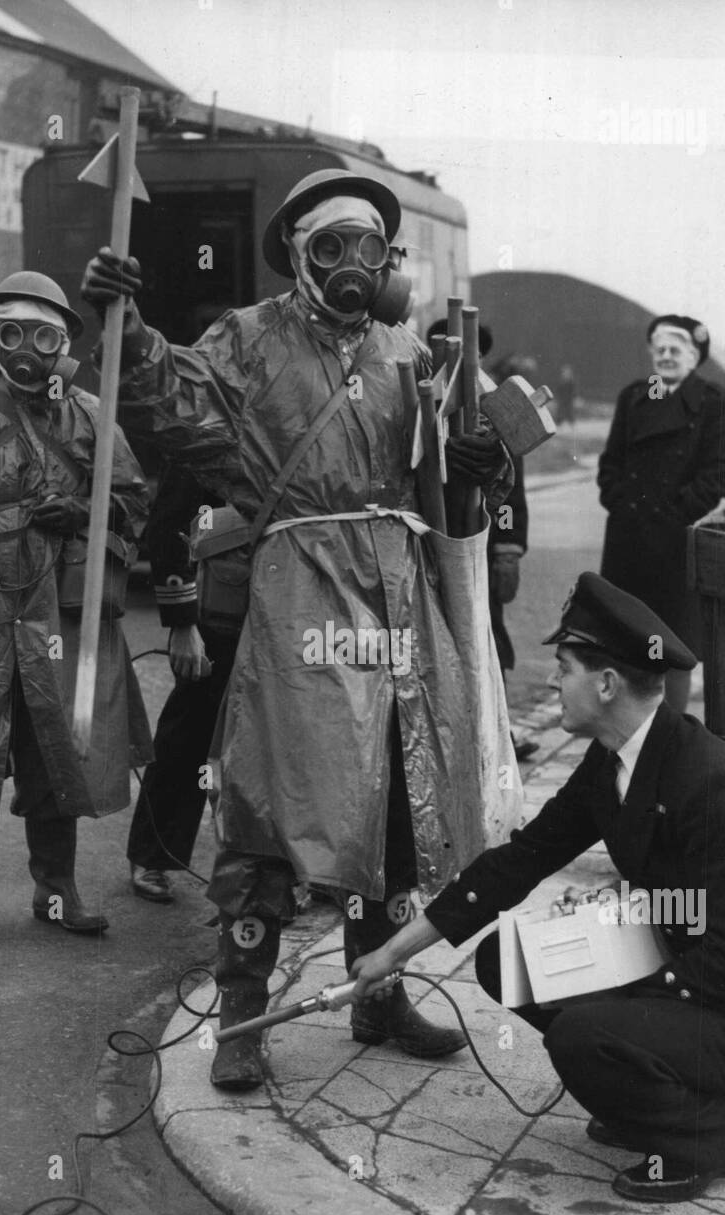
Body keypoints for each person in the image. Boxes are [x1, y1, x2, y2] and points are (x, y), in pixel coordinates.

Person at [82, 167, 515, 1089]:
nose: (354, 263)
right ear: (297, 255)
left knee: (399, 796)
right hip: (300, 594)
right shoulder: (248, 340)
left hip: (398, 599)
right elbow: (166, 398)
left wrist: (482, 464)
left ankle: (378, 991)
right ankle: (242, 1013)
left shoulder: (408, 355)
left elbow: (446, 489)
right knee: (273, 802)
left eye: (370, 247)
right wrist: (122, 321)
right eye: (332, 246)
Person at [349, 573, 725, 1204]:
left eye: (562, 667)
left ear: (606, 683)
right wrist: (396, 951)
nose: (550, 682)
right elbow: (522, 859)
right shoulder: (612, 759)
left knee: (583, 1034)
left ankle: (714, 1136)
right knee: (508, 961)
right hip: (685, 966)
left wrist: (614, 998)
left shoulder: (713, 785)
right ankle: (642, 1097)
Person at [0, 271, 153, 941]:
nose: (28, 351)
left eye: (44, 336)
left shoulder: (92, 416)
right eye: (12, 333)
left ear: (64, 343)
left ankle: (58, 888)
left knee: (58, 747)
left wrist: (83, 512)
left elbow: (133, 502)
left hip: (61, 608)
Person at [597, 313, 725, 713]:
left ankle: (670, 735)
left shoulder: (712, 402)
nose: (666, 356)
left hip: (675, 543)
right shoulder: (635, 397)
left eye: (675, 349)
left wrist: (677, 512)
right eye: (659, 349)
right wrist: (622, 503)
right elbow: (610, 464)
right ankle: (625, 731)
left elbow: (722, 474)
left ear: (693, 357)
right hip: (628, 538)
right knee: (625, 642)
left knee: (673, 645)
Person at [125, 464, 235, 904]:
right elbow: (169, 527)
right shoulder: (205, 435)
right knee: (189, 732)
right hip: (218, 610)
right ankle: (156, 852)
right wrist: (183, 623)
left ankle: (276, 875)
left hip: (286, 609)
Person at [427, 321, 536, 760]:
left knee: (488, 637)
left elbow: (513, 491)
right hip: (433, 540)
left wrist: (509, 551)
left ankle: (498, 736)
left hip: (481, 548)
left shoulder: (495, 405)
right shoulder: (426, 399)